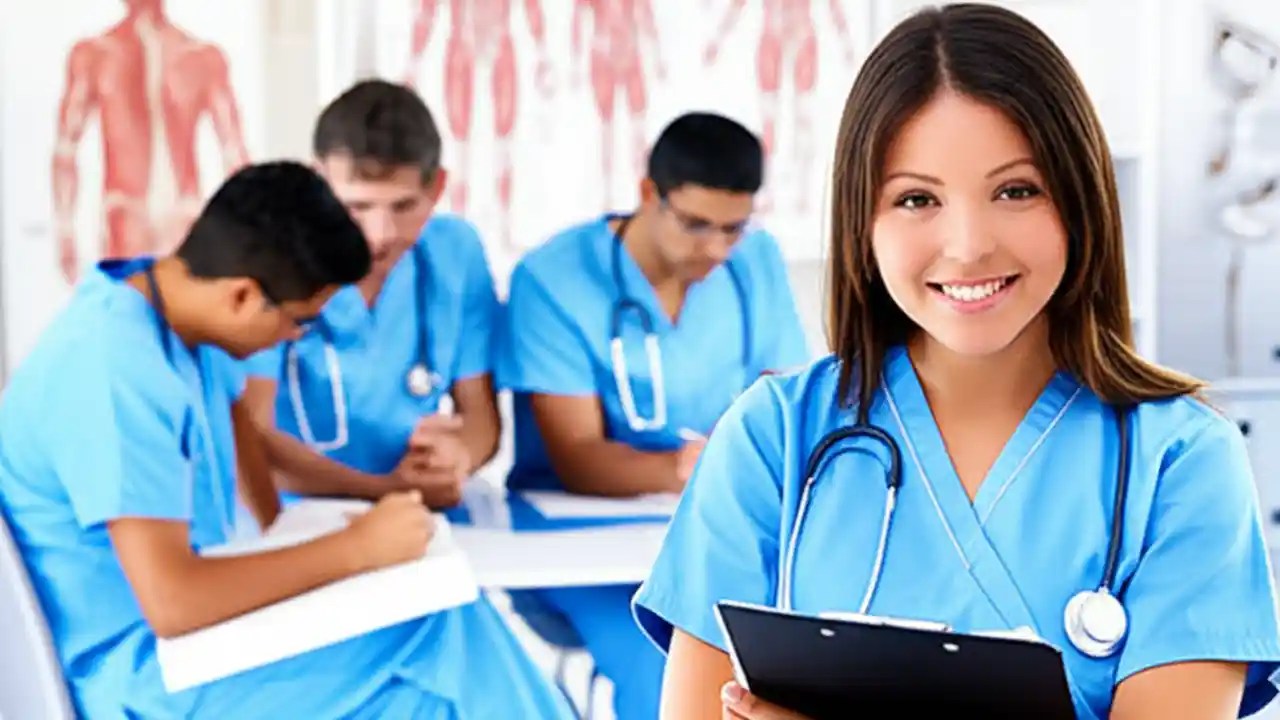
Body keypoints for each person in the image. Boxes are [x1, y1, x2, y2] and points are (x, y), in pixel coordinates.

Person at [632, 5, 1280, 720]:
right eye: (916, 199)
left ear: (1080, 199)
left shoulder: (1182, 462)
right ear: (863, 222)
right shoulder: (772, 440)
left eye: (1016, 190)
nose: (968, 245)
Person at [0, 162, 571, 719]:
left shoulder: (171, 307)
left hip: (193, 643)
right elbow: (173, 603)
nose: (292, 339)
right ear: (244, 296)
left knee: (448, 617)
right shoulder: (115, 367)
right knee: (434, 659)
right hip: (139, 673)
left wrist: (379, 494)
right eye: (300, 321)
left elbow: (258, 458)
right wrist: (358, 551)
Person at [497, 111, 811, 720]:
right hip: (581, 553)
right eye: (696, 225)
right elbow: (578, 460)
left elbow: (784, 405)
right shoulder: (554, 278)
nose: (717, 249)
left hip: (722, 539)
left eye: (733, 229)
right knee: (670, 664)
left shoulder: (757, 259)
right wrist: (686, 469)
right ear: (648, 194)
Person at [241, 80, 501, 510]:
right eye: (356, 207)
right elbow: (250, 440)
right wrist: (381, 489)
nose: (379, 236)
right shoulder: (268, 258)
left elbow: (482, 420)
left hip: (416, 513)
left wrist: (457, 458)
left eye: (404, 207)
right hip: (291, 512)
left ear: (437, 187)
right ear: (318, 181)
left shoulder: (456, 253)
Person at [53, 0, 250, 283]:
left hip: (173, 212)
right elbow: (66, 148)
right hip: (131, 210)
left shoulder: (201, 57)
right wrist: (64, 229)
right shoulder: (94, 55)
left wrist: (65, 230)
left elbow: (234, 151)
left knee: (156, 312)